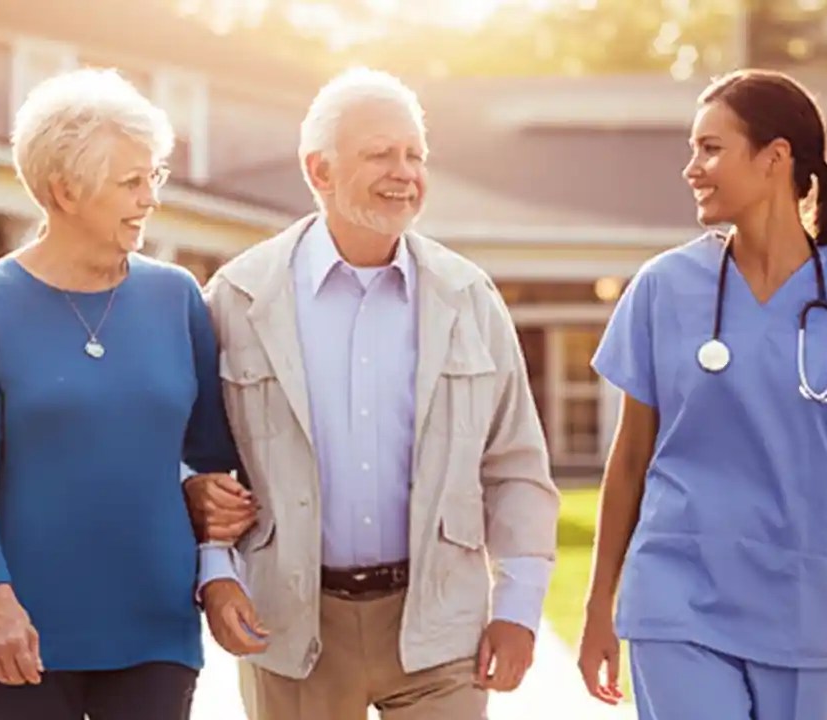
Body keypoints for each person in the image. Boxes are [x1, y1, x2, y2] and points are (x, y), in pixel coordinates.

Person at [181, 67, 561, 720]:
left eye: (415, 154)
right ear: (319, 171)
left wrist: (520, 606)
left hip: (440, 627)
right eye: (380, 153)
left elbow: (516, 464)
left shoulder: (470, 299)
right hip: (291, 629)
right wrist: (216, 572)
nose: (404, 171)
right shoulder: (238, 299)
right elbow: (200, 457)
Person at [576, 69, 827, 720]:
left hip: (808, 608)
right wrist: (600, 602)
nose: (692, 168)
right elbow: (630, 459)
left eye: (710, 148)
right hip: (676, 596)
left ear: (775, 159)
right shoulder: (663, 288)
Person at [0, 68, 238, 719]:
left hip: (156, 625)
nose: (149, 198)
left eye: (153, 176)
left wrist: (213, 545)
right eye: (130, 182)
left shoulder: (177, 297)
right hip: (23, 629)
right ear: (65, 190)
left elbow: (209, 457)